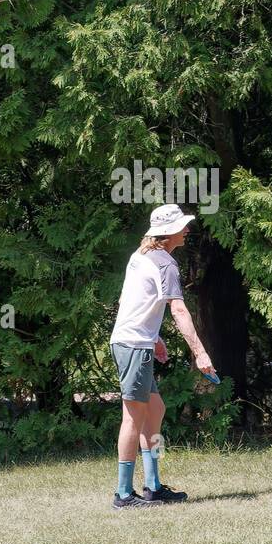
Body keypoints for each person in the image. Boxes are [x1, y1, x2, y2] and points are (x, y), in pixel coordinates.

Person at [108, 204, 217, 508]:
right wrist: (200, 352)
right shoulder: (165, 263)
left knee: (154, 411)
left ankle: (153, 486)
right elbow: (178, 309)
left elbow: (133, 300)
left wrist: (155, 337)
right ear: (168, 233)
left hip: (133, 342)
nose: (187, 230)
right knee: (133, 417)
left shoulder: (139, 256)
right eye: (183, 226)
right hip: (133, 346)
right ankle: (123, 495)